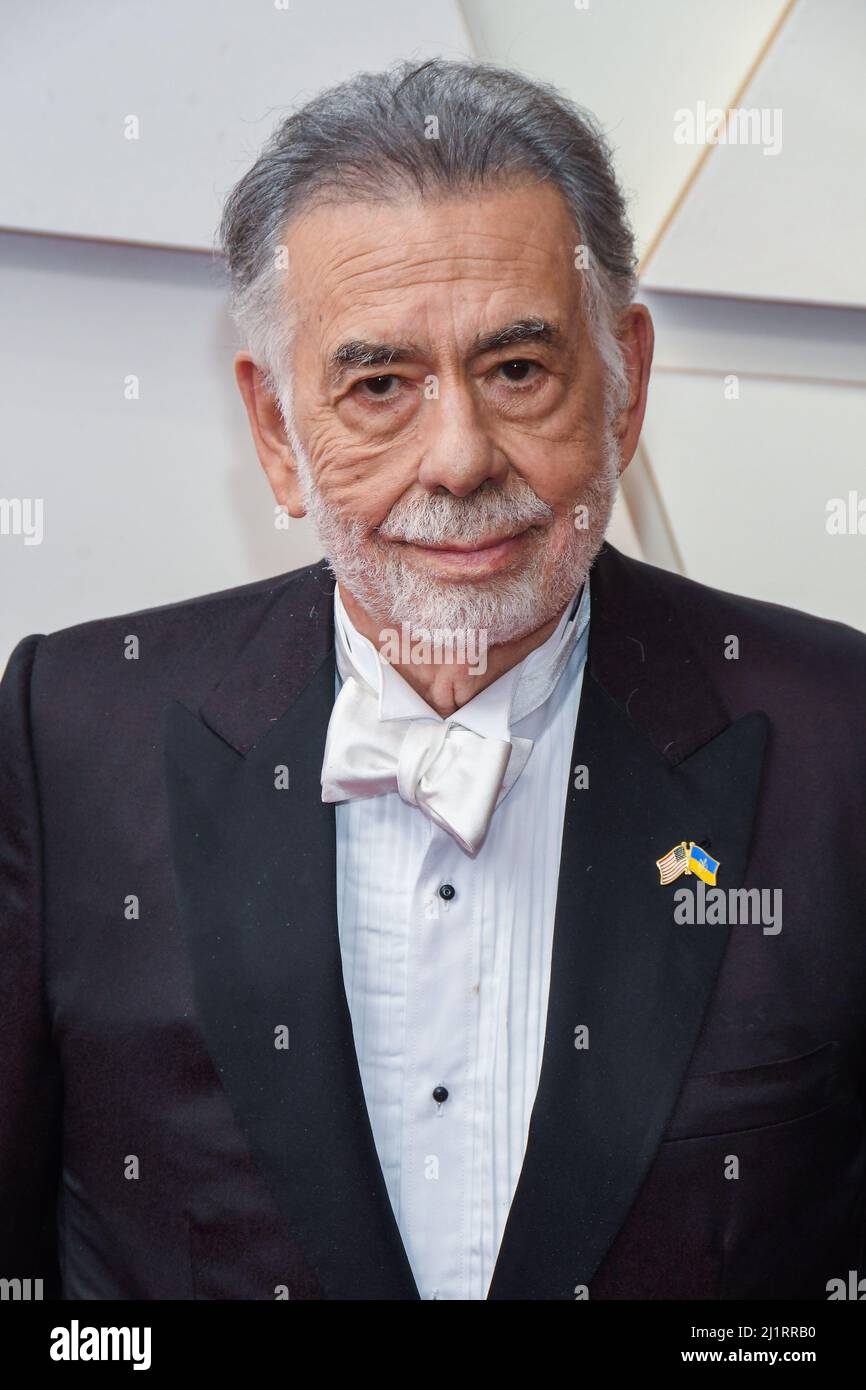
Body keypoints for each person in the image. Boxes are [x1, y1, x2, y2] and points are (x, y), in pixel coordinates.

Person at [1, 59, 864, 1302]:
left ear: (621, 389)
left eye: (517, 372)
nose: (456, 457)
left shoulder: (839, 740)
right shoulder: (65, 731)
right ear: (275, 435)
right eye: (377, 385)